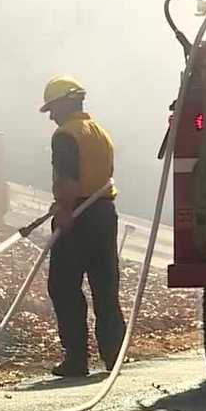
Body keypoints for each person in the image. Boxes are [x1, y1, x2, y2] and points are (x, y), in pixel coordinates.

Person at [39, 76, 126, 377]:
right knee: (105, 286)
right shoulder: (101, 133)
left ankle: (76, 359)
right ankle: (114, 356)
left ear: (65, 104)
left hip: (78, 216)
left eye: (52, 108)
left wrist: (64, 208)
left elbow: (69, 179)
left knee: (63, 287)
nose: (51, 116)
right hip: (104, 214)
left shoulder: (65, 135)